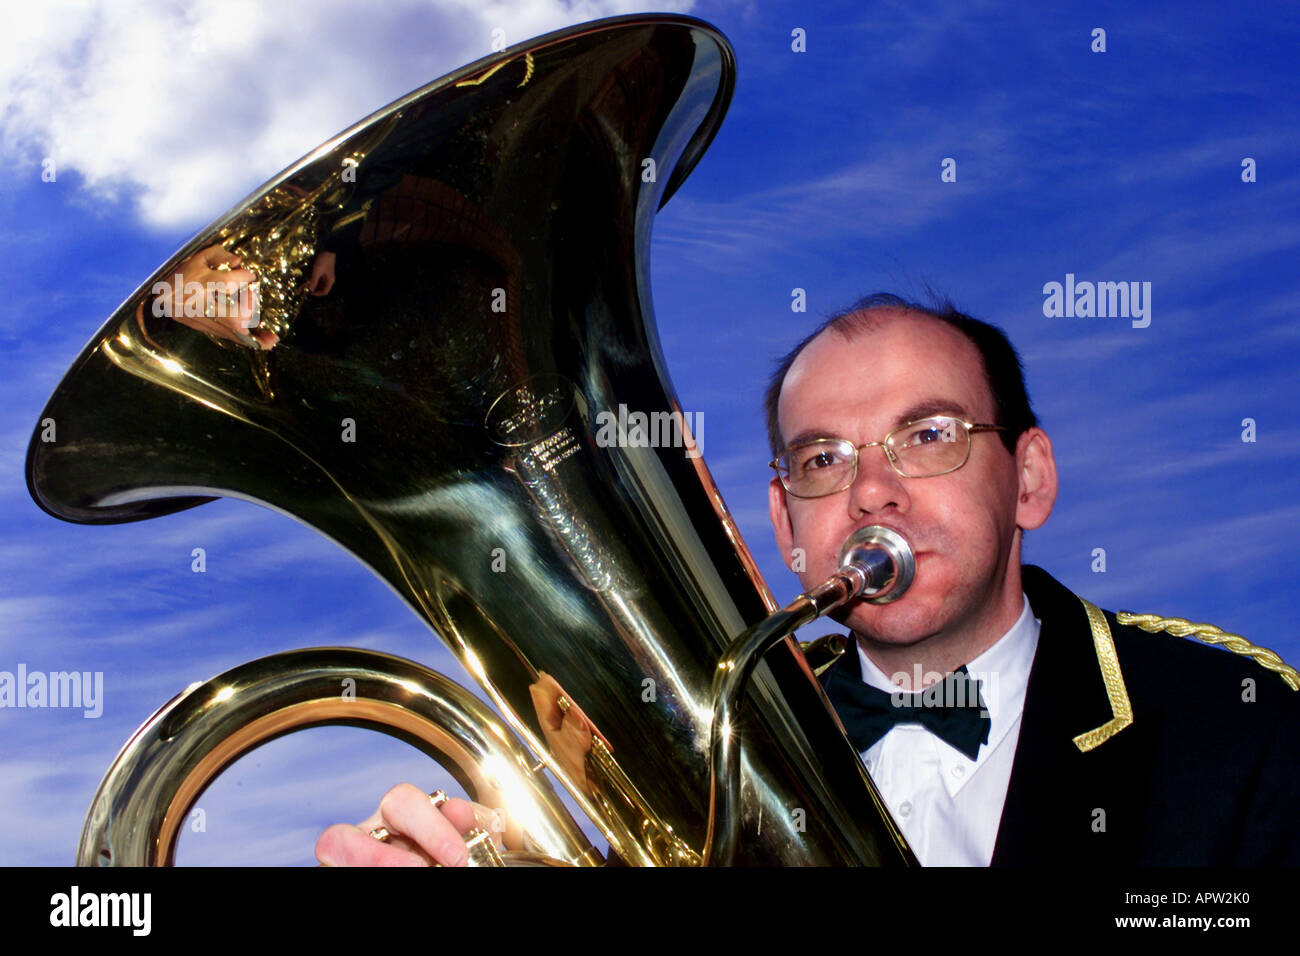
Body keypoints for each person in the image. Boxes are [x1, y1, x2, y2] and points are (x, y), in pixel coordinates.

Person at [314, 292, 1300, 867]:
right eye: (823, 459)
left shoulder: (1237, 728)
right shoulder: (709, 770)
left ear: (1029, 480)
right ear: (787, 526)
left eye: (928, 435)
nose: (874, 490)